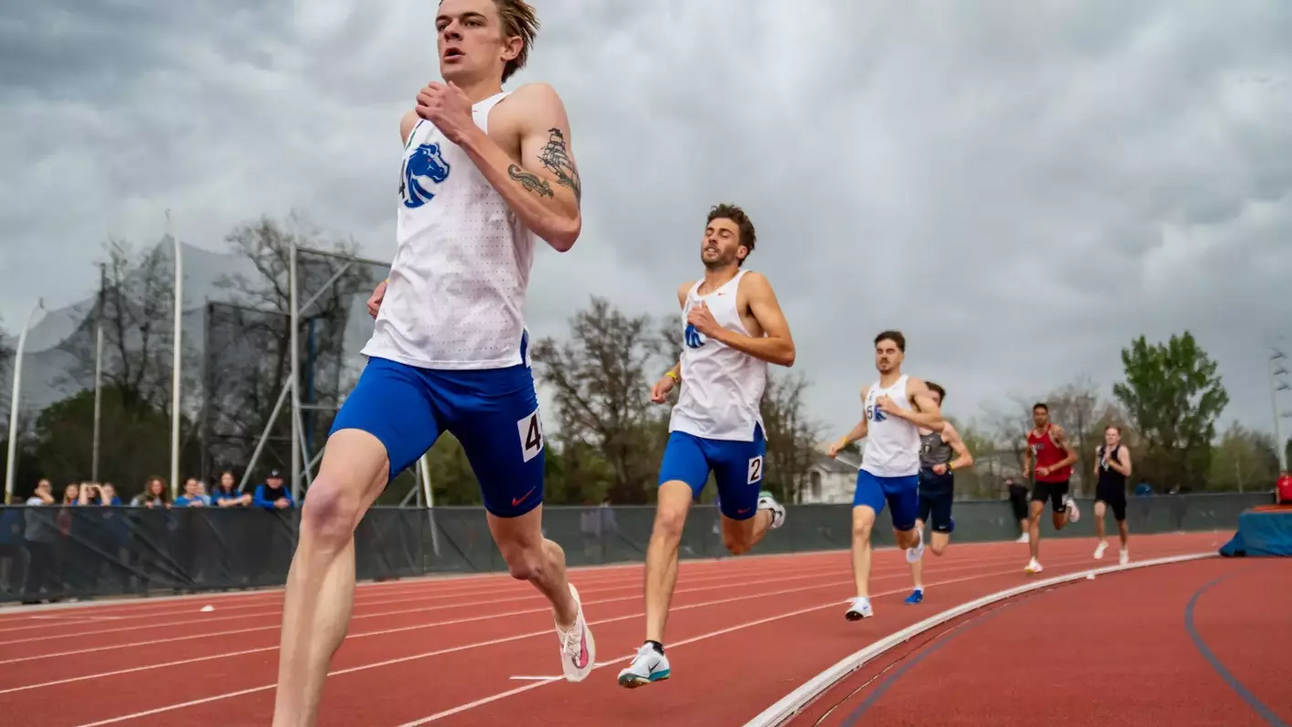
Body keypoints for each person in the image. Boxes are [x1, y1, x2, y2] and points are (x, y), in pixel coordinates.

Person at [271, 2, 592, 724]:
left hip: (492, 377)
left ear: (510, 43)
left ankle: (563, 595)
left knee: (522, 554)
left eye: (471, 20)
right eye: (443, 20)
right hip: (406, 363)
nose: (449, 30)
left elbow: (564, 220)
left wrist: (465, 127)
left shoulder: (527, 105)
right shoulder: (410, 123)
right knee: (325, 507)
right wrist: (402, 277)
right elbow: (437, 219)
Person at [617, 204, 794, 688]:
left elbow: (785, 349)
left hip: (738, 435)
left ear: (741, 250)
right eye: (709, 230)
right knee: (668, 520)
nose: (712, 238)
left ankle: (768, 513)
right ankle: (652, 648)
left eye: (724, 234)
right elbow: (694, 347)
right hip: (690, 429)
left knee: (736, 543)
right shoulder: (687, 293)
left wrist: (721, 331)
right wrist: (673, 375)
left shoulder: (751, 285)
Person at [827, 330, 944, 620]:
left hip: (903, 476)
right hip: (873, 471)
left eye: (890, 351)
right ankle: (863, 599)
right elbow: (866, 424)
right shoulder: (867, 391)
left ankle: (916, 539)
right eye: (879, 351)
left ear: (901, 355)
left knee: (903, 539)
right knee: (859, 526)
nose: (884, 356)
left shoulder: (912, 386)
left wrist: (899, 411)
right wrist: (843, 441)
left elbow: (936, 421)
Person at [903, 382, 973, 605]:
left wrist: (949, 466)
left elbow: (967, 457)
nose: (930, 404)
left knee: (938, 549)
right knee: (914, 536)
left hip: (941, 488)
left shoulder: (945, 429)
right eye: (927, 400)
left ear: (939, 405)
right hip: (917, 488)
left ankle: (947, 523)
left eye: (935, 401)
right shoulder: (910, 428)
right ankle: (917, 588)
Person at [1022, 402, 1080, 574]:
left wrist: (1051, 469)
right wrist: (1027, 467)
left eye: (1043, 414)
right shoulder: (1030, 436)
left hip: (1060, 481)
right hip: (1042, 480)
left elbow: (1073, 456)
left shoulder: (1056, 433)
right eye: (1037, 414)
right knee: (1034, 515)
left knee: (1058, 524)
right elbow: (1028, 453)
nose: (1040, 417)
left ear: (1048, 416)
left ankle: (1069, 507)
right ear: (1033, 416)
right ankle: (1033, 560)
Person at [1093, 426, 1131, 564]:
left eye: (1113, 435)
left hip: (1117, 489)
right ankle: (1103, 541)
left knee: (1121, 522)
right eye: (1108, 434)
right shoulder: (1099, 450)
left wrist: (1111, 462)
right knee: (1098, 512)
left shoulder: (1122, 450)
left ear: (1118, 437)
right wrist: (1098, 468)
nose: (1110, 437)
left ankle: (1124, 548)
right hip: (1103, 488)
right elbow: (1096, 470)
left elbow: (1127, 472)